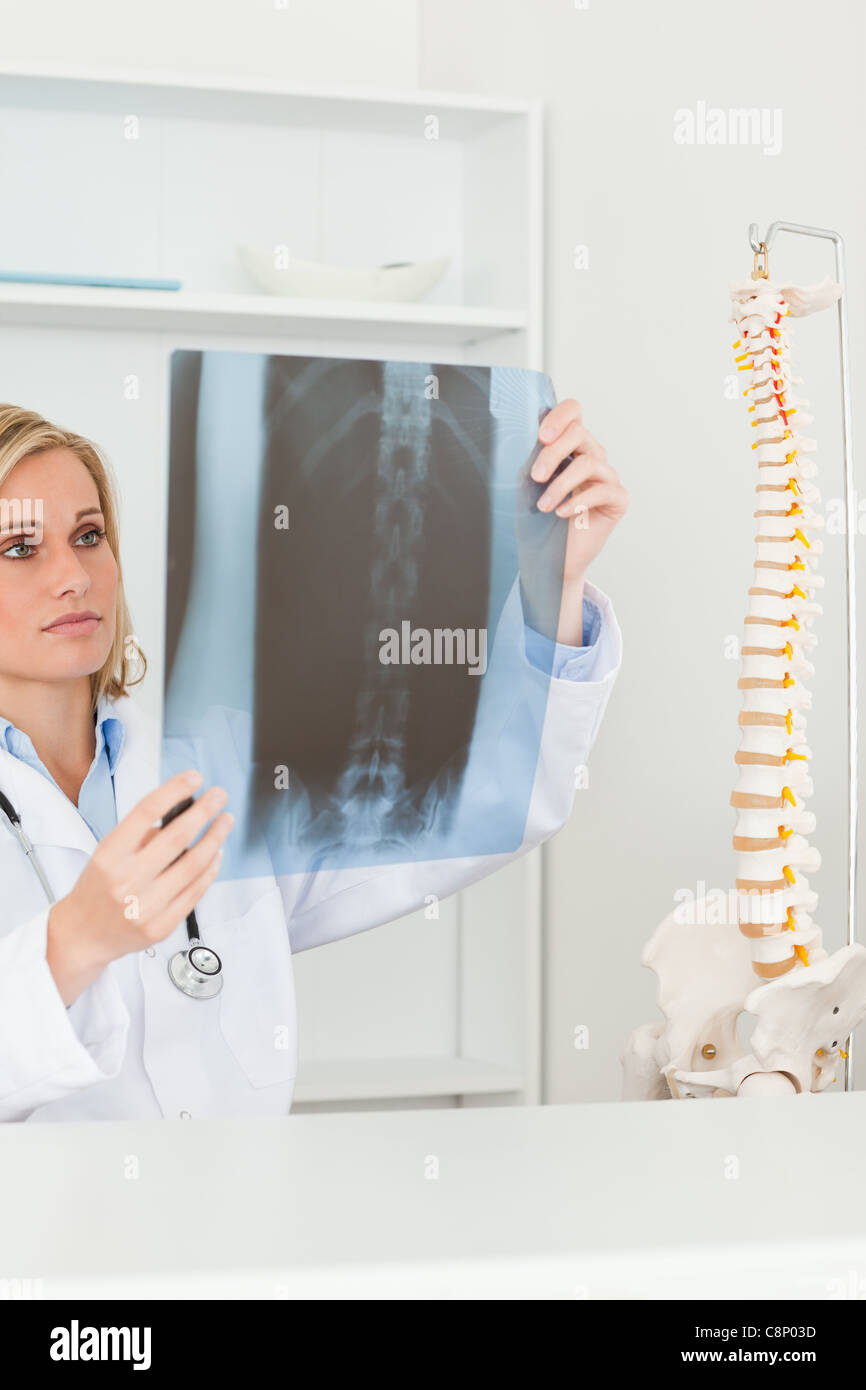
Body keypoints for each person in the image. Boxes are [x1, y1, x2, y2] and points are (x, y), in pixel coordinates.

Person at [0, 399, 627, 1122]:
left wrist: (554, 580)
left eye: (88, 535)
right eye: (19, 548)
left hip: (242, 1215)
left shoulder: (220, 768)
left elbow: (471, 808)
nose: (73, 576)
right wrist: (75, 940)